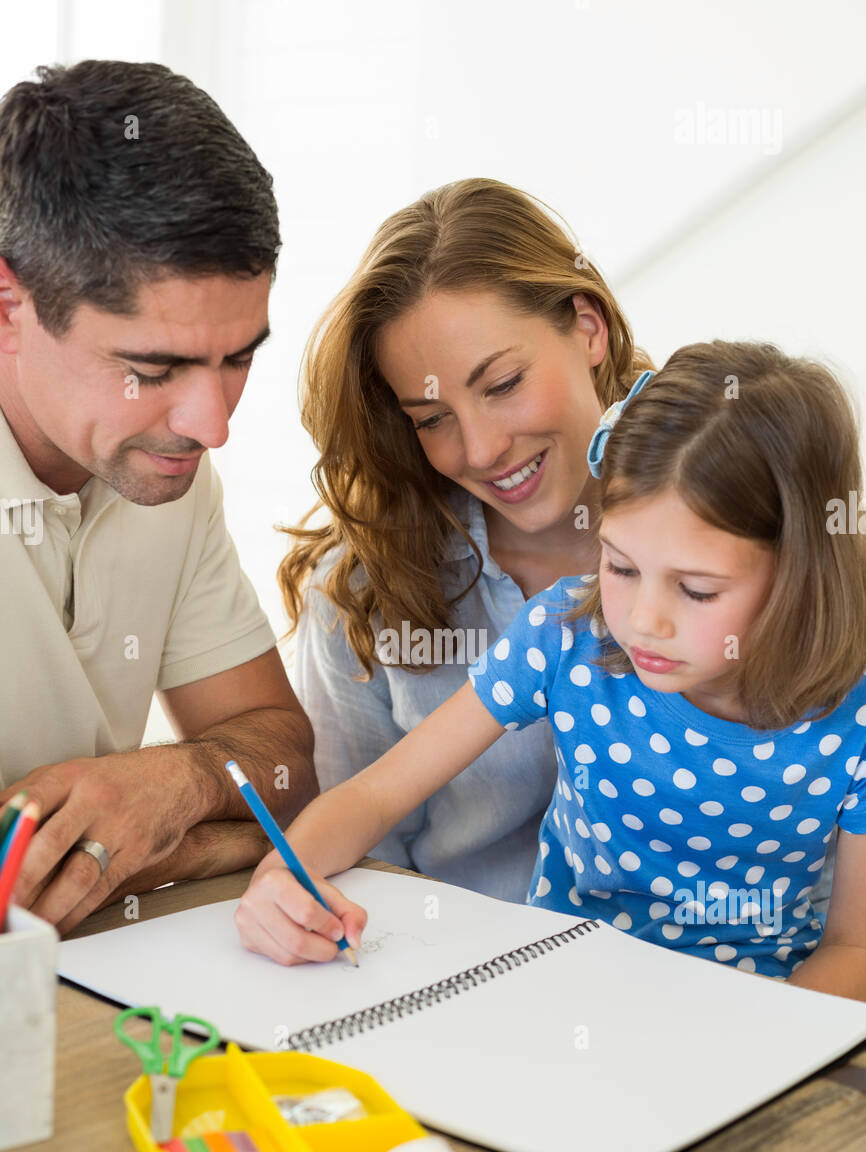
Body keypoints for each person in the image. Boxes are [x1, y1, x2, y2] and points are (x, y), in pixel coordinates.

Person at [235, 341, 866, 1003]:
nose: (644, 620)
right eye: (620, 567)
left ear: (801, 575)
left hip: (769, 1018)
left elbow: (854, 949)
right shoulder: (563, 635)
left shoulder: (852, 716)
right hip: (557, 1001)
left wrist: (748, 1054)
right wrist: (283, 874)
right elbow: (373, 797)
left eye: (697, 591)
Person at [0, 60, 318, 934]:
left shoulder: (166, 468)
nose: (212, 426)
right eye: (152, 370)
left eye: (239, 357)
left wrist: (172, 783)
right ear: (8, 305)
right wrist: (211, 835)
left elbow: (286, 761)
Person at [281, 177, 654, 902]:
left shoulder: (739, 514)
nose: (480, 450)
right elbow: (360, 859)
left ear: (588, 328)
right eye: (431, 418)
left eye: (503, 382)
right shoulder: (361, 594)